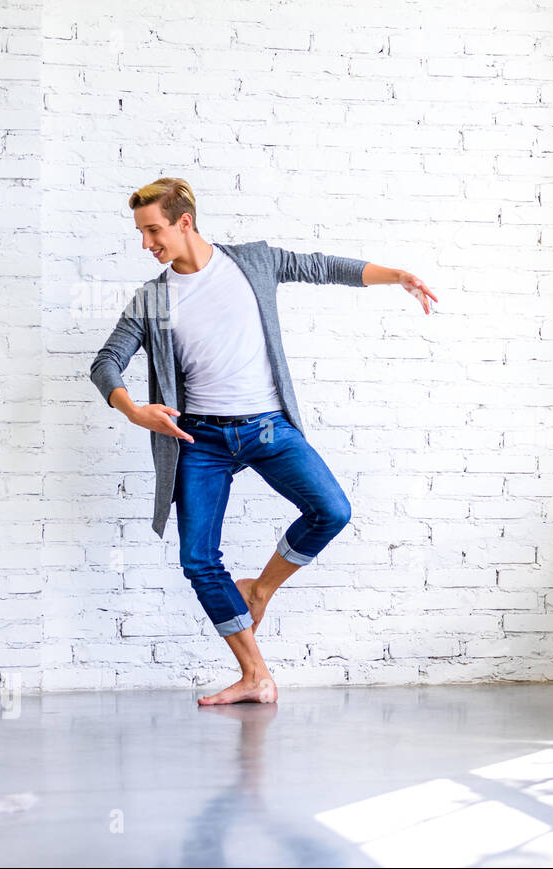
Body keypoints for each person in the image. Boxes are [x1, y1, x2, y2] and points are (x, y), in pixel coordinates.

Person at [89, 177, 438, 706]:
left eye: (153, 230)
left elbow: (321, 267)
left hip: (267, 427)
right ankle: (255, 674)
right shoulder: (154, 298)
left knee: (332, 510)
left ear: (185, 222)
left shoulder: (251, 262)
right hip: (199, 438)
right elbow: (106, 361)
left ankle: (261, 589)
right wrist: (136, 410)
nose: (147, 244)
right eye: (141, 232)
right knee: (198, 558)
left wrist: (396, 277)